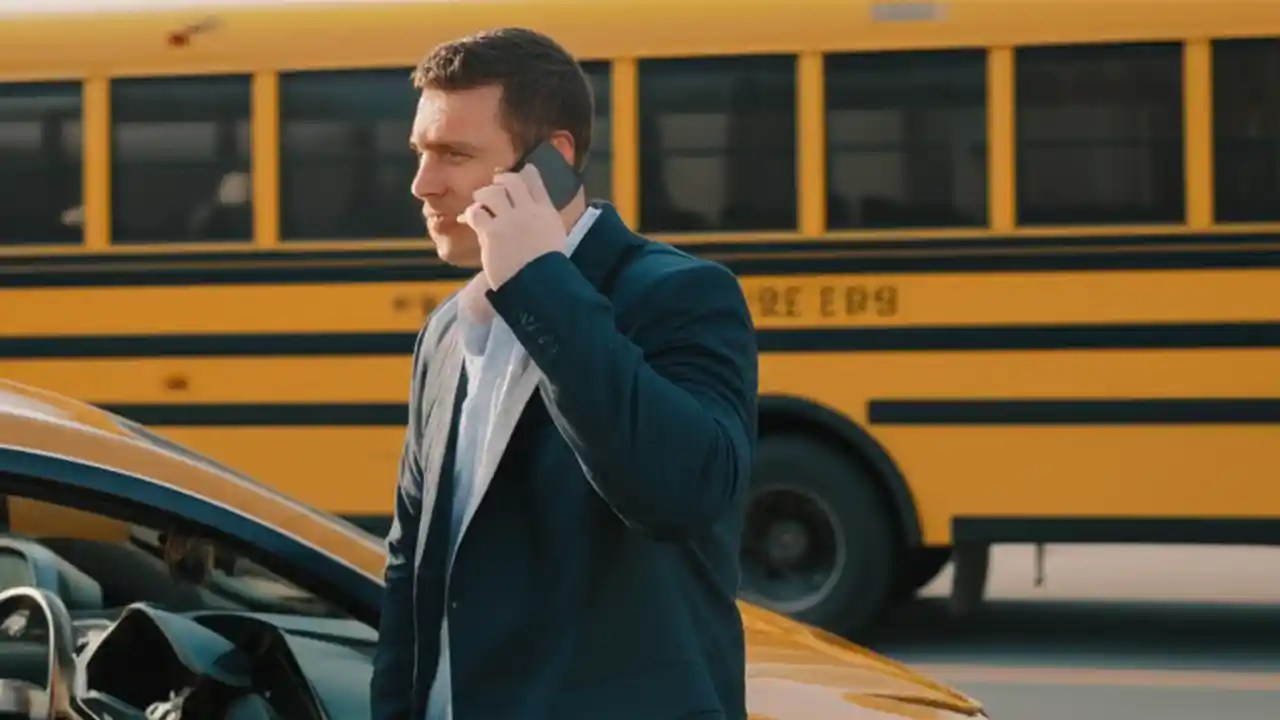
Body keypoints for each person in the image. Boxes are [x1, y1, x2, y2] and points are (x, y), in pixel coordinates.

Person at [370, 26, 758, 720]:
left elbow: (680, 493)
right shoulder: (445, 332)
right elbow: (410, 575)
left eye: (454, 154)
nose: (422, 184)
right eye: (421, 153)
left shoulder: (681, 295)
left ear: (550, 164)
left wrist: (540, 284)